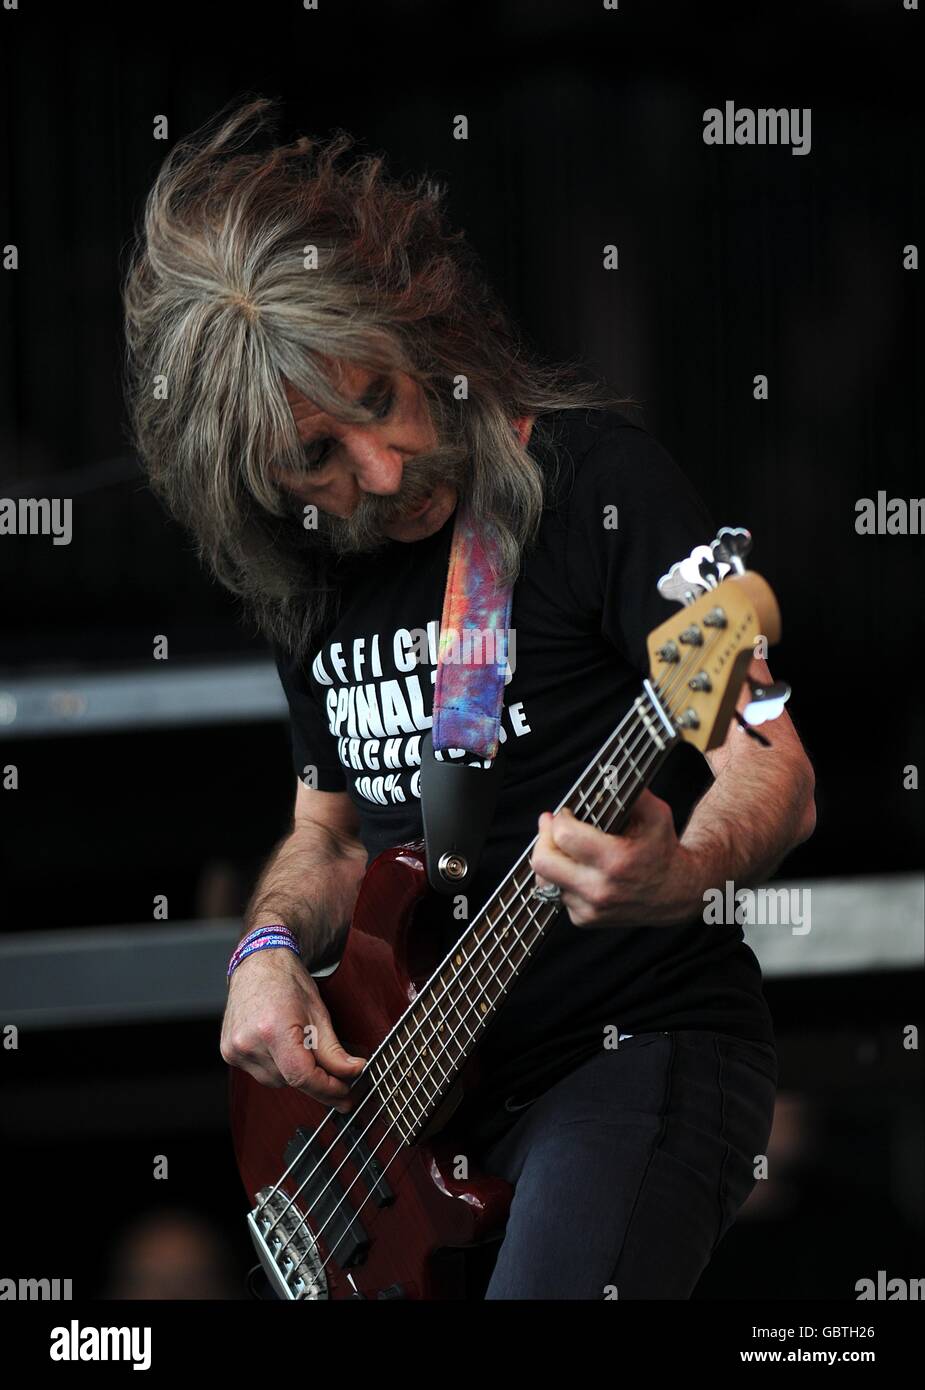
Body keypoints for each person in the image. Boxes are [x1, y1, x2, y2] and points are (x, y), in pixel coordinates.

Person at [122, 96, 816, 1299]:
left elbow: (774, 768)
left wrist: (682, 870)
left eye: (380, 398)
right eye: (319, 457)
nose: (382, 470)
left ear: (418, 329)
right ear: (253, 486)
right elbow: (329, 834)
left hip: (625, 1051)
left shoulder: (592, 485)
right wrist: (270, 945)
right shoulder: (309, 581)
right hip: (406, 1124)